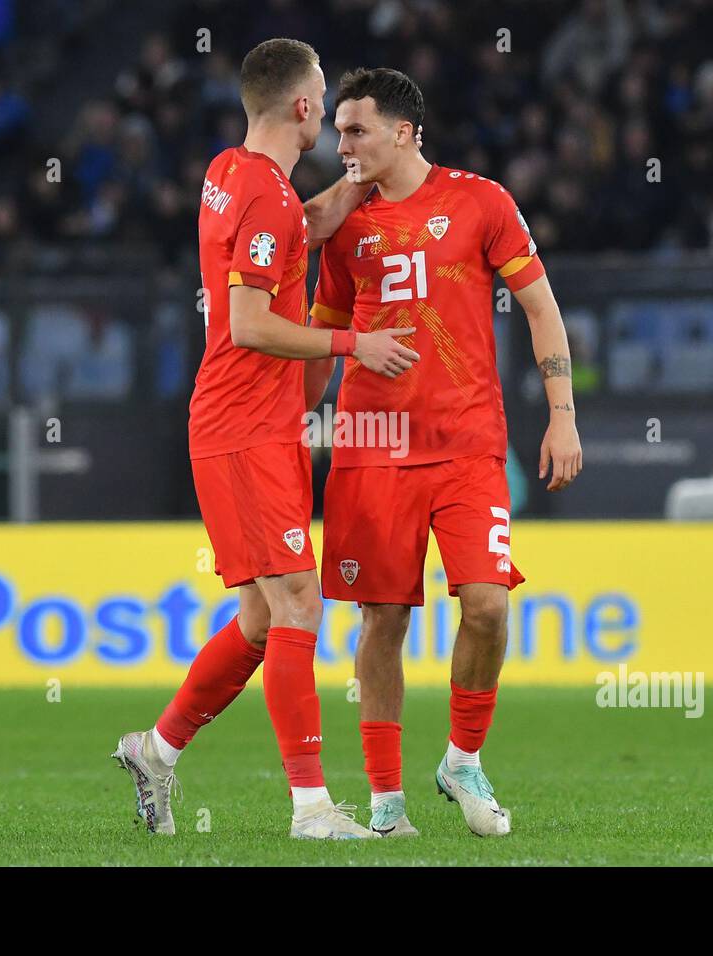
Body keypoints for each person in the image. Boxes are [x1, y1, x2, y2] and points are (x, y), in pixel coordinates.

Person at [111, 39, 419, 839]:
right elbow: (249, 324)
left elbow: (299, 226)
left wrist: (356, 186)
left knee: (258, 618)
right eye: (324, 100)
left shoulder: (231, 173)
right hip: (243, 426)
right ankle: (311, 808)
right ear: (306, 108)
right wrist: (355, 346)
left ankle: (156, 747)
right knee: (299, 603)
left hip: (252, 425)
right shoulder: (262, 196)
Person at [308, 68, 583, 836]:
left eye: (355, 130)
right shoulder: (343, 224)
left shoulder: (481, 201)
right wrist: (293, 426)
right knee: (383, 618)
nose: (342, 144)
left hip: (466, 443)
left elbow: (541, 307)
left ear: (404, 131)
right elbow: (319, 337)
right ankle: (387, 804)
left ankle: (462, 758)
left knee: (489, 606)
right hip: (370, 443)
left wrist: (562, 417)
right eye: (337, 130)